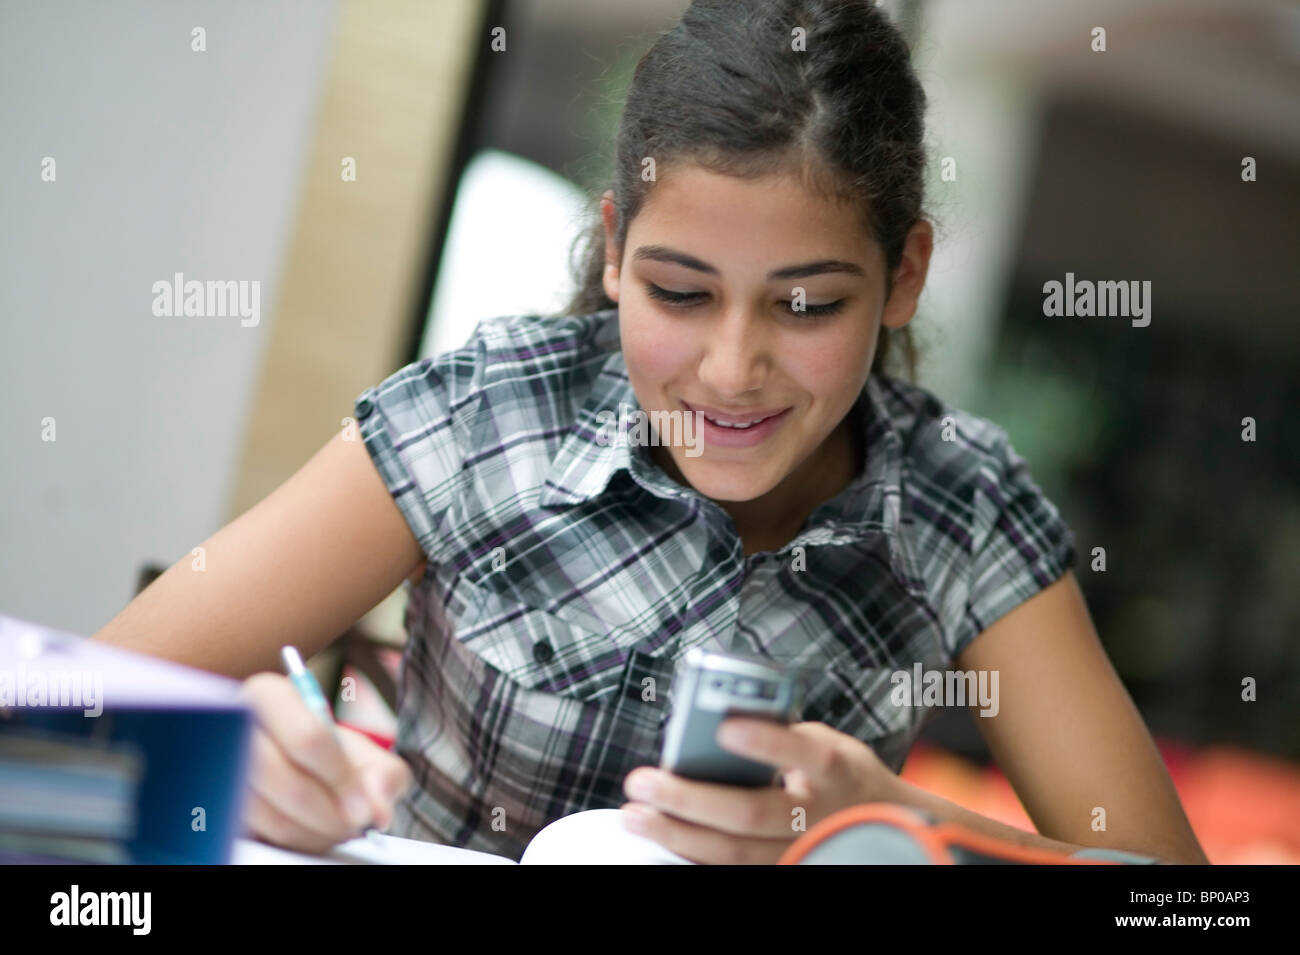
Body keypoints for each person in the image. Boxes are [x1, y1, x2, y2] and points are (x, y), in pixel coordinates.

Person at [92, 0, 1208, 865]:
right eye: (680, 292)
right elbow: (63, 711)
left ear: (903, 274)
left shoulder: (955, 503)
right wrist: (223, 757)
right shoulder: (491, 413)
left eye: (808, 305)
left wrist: (895, 825)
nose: (731, 369)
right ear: (616, 248)